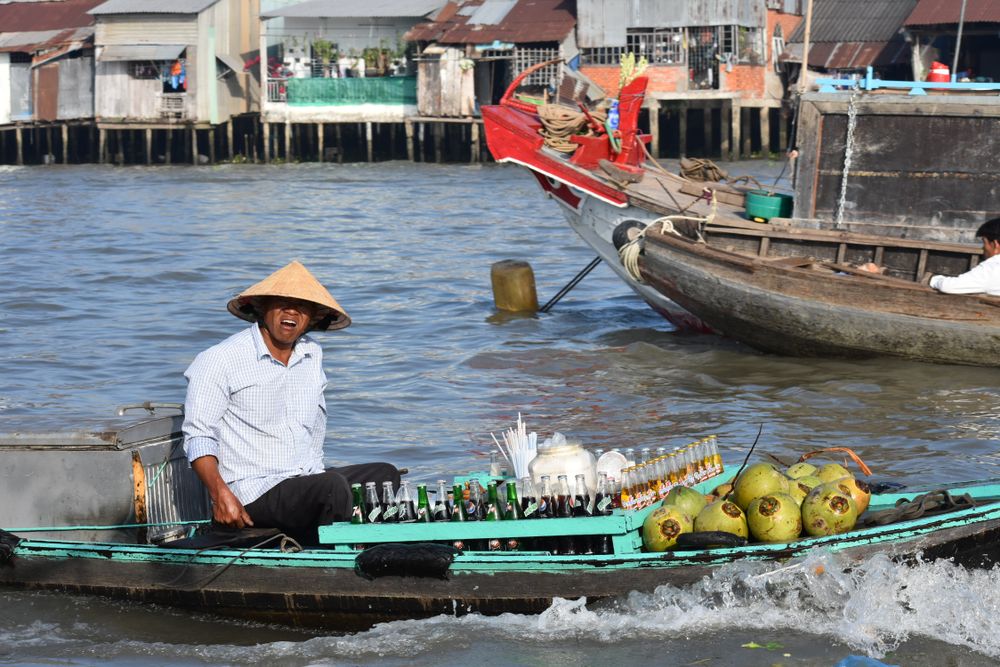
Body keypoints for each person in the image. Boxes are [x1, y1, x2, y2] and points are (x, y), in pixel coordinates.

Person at [182, 261, 400, 545]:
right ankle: (338, 554)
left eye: (302, 307)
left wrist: (316, 476)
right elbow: (199, 435)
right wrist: (220, 494)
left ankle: (374, 548)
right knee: (331, 488)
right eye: (282, 303)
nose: (292, 312)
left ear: (313, 317)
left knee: (384, 475)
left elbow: (315, 429)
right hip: (251, 493)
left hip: (301, 480)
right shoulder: (219, 359)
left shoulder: (311, 354)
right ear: (262, 308)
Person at [929, 218, 1000, 296]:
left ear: (995, 244)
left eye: (984, 242)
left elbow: (948, 286)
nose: (983, 248)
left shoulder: (991, 269)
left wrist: (933, 280)